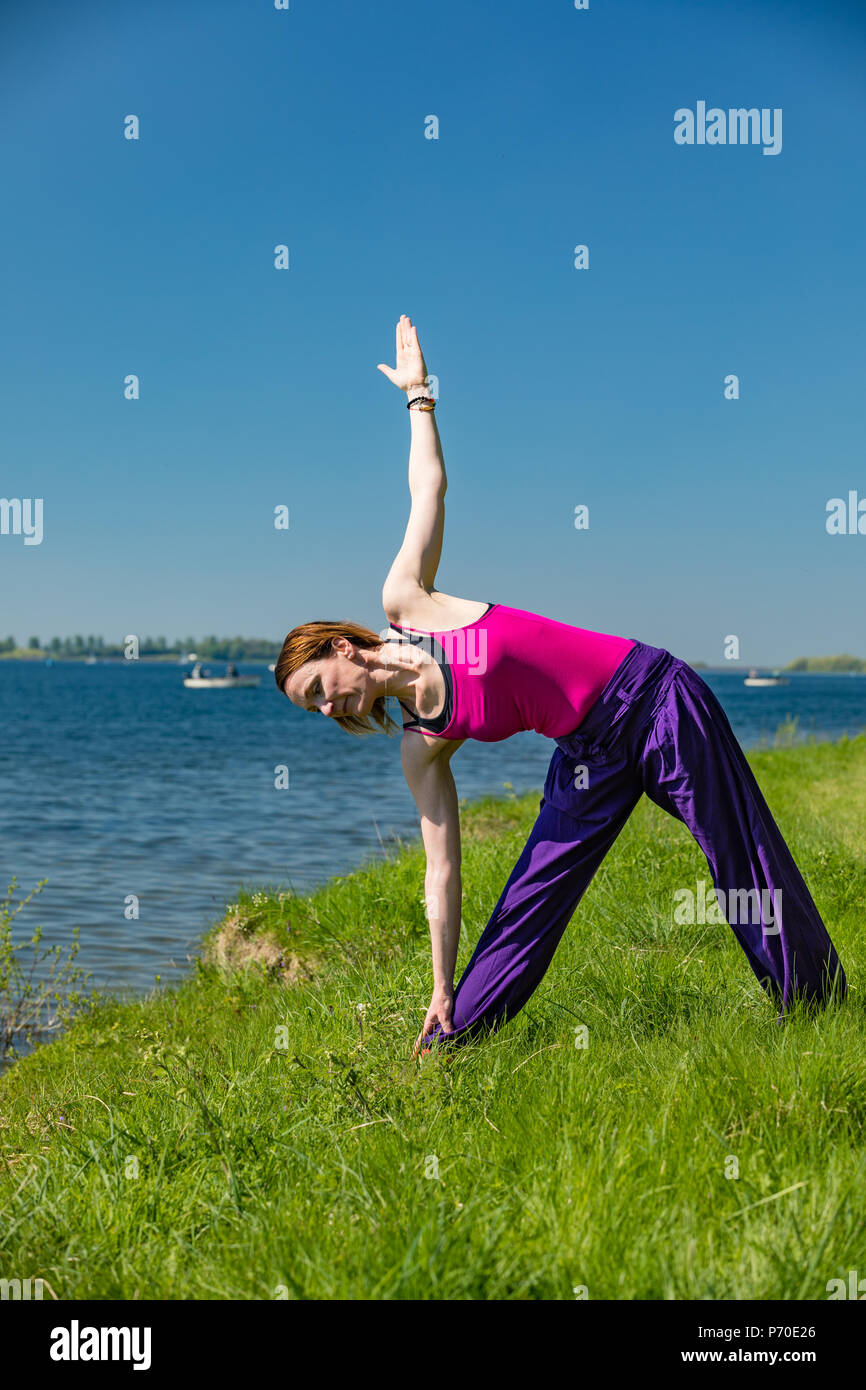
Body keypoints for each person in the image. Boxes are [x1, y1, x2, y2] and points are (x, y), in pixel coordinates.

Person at [275, 316, 847, 1061]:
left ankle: (814, 1006)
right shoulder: (422, 747)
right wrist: (441, 983)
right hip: (588, 755)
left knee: (736, 853)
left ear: (341, 648)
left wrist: (419, 398)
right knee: (529, 898)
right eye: (315, 708)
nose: (328, 707)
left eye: (320, 686)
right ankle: (452, 1040)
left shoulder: (407, 601)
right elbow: (440, 871)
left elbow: (430, 488)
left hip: (653, 697)